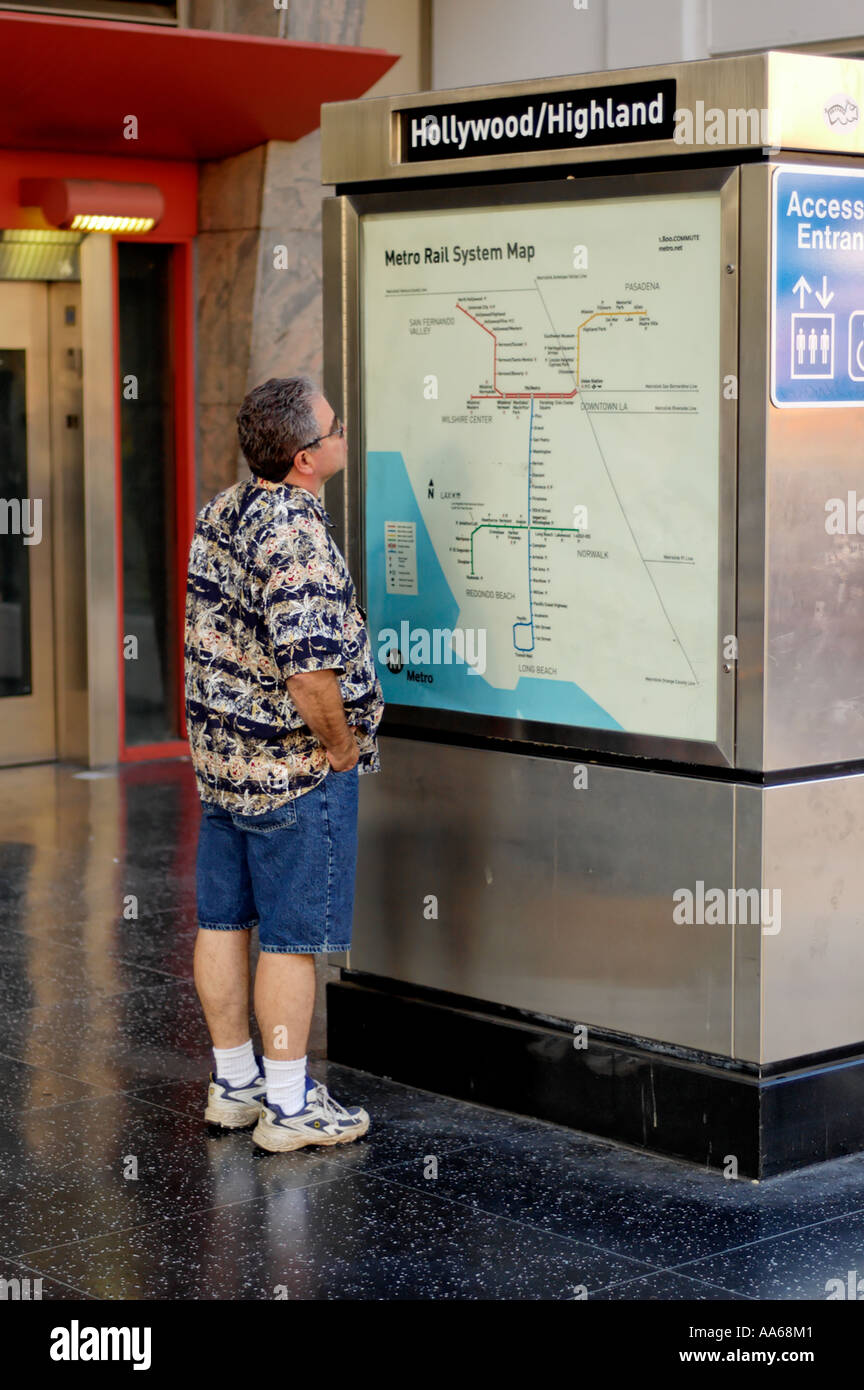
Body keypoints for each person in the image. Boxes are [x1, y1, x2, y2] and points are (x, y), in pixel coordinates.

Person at [184, 375, 384, 1153]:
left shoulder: (221, 510)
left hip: (221, 763)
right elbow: (308, 672)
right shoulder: (293, 534)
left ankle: (235, 1084)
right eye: (335, 426)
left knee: (223, 919)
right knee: (291, 939)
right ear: (307, 457)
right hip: (289, 771)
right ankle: (291, 1106)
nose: (343, 433)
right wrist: (339, 749)